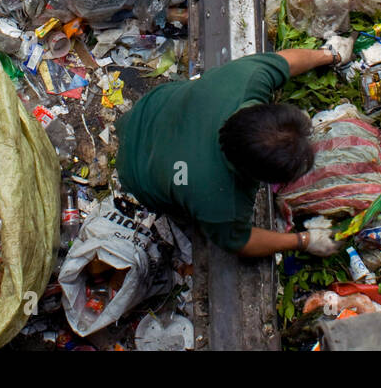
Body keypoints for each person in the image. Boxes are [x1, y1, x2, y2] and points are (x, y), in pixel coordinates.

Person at [115, 43, 354, 258]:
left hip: (145, 113)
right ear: (258, 177)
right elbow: (241, 242)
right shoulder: (219, 198)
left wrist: (331, 54)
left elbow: (284, 62)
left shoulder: (245, 80)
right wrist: (303, 240)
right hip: (136, 174)